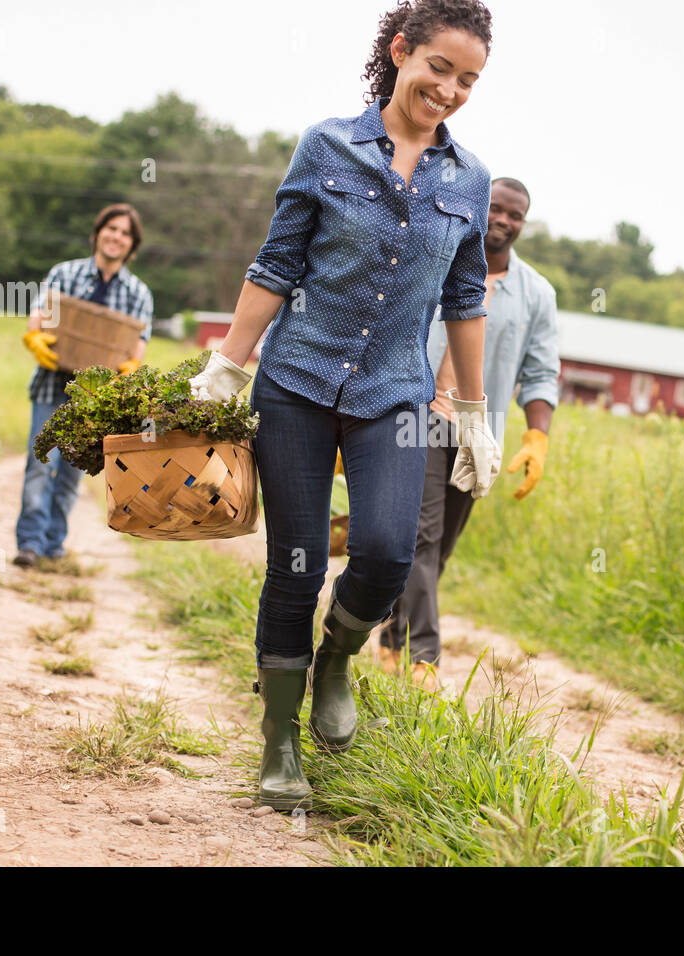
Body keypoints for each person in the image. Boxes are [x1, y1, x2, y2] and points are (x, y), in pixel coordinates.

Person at [186, 0, 500, 812]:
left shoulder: (468, 180)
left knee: (391, 549)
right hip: (295, 380)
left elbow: (466, 299)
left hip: (393, 392)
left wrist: (472, 411)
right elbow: (277, 263)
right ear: (402, 51)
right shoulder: (327, 144)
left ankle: (336, 659)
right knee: (295, 565)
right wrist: (229, 362)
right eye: (440, 68)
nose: (451, 89)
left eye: (469, 79)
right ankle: (280, 740)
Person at [378, 177, 559, 689]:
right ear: (480, 209)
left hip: (479, 427)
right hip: (418, 413)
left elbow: (542, 372)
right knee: (421, 535)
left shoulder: (536, 295)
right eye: (496, 209)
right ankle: (424, 661)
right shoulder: (436, 261)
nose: (503, 221)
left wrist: (536, 436)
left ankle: (391, 638)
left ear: (523, 223)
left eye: (515, 215)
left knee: (441, 546)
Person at [15, 203, 154, 568]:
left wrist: (130, 366)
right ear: (98, 233)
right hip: (51, 386)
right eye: (111, 228)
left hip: (95, 402)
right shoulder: (65, 273)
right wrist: (34, 338)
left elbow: (137, 346)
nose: (116, 237)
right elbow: (38, 316)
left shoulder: (138, 293)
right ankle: (28, 544)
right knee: (41, 464)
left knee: (71, 475)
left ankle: (53, 544)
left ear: (132, 245)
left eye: (125, 233)